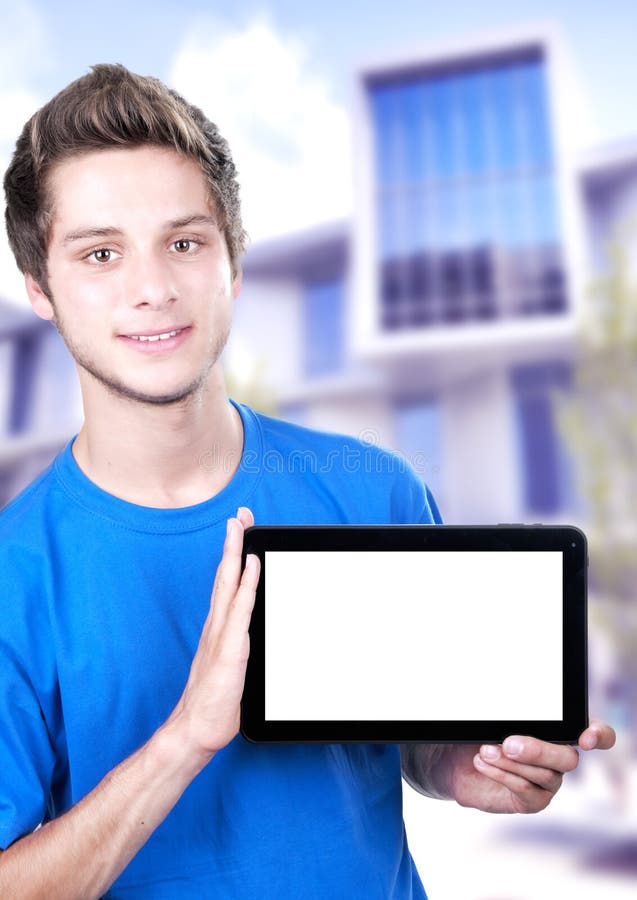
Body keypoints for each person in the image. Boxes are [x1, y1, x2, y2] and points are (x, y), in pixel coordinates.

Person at [0, 64, 615, 899]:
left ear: (233, 263)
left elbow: (412, 740)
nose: (153, 288)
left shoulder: (375, 492)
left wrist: (458, 766)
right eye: (100, 254)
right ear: (39, 287)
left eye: (184, 242)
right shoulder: (15, 574)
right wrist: (186, 739)